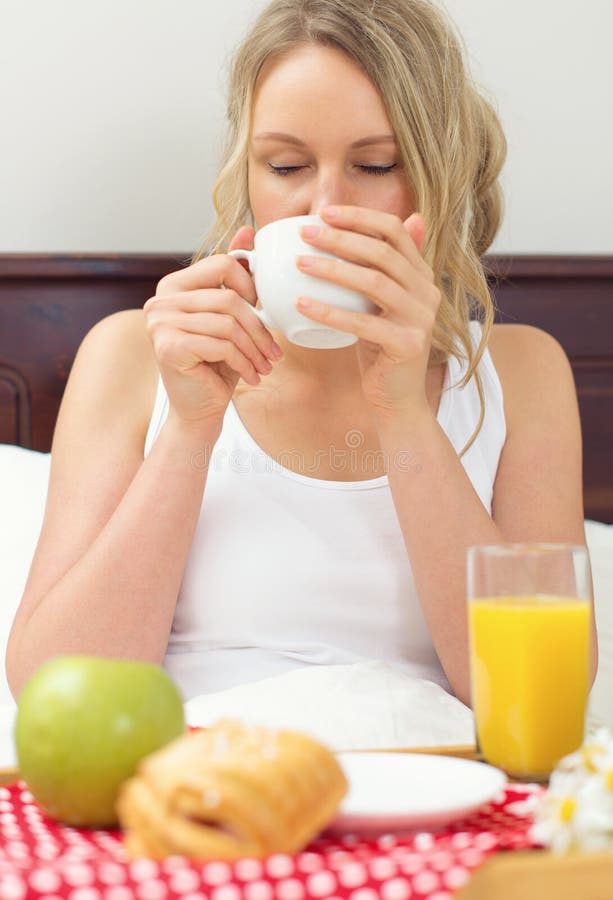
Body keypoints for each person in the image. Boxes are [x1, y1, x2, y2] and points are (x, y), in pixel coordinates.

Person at [6, 0, 597, 705]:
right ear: (248, 175)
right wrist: (191, 429)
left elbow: (539, 699)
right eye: (285, 164)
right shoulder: (132, 356)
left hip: (429, 786)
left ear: (435, 174)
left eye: (374, 164)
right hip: (199, 784)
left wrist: (402, 412)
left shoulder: (520, 373)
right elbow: (53, 691)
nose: (323, 208)